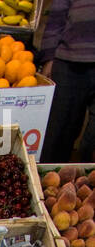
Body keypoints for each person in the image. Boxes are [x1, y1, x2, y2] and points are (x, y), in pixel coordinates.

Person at [40, 0, 95, 161]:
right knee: (57, 137)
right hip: (68, 61)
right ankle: (48, 183)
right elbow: (57, 13)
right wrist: (48, 58)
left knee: (92, 145)